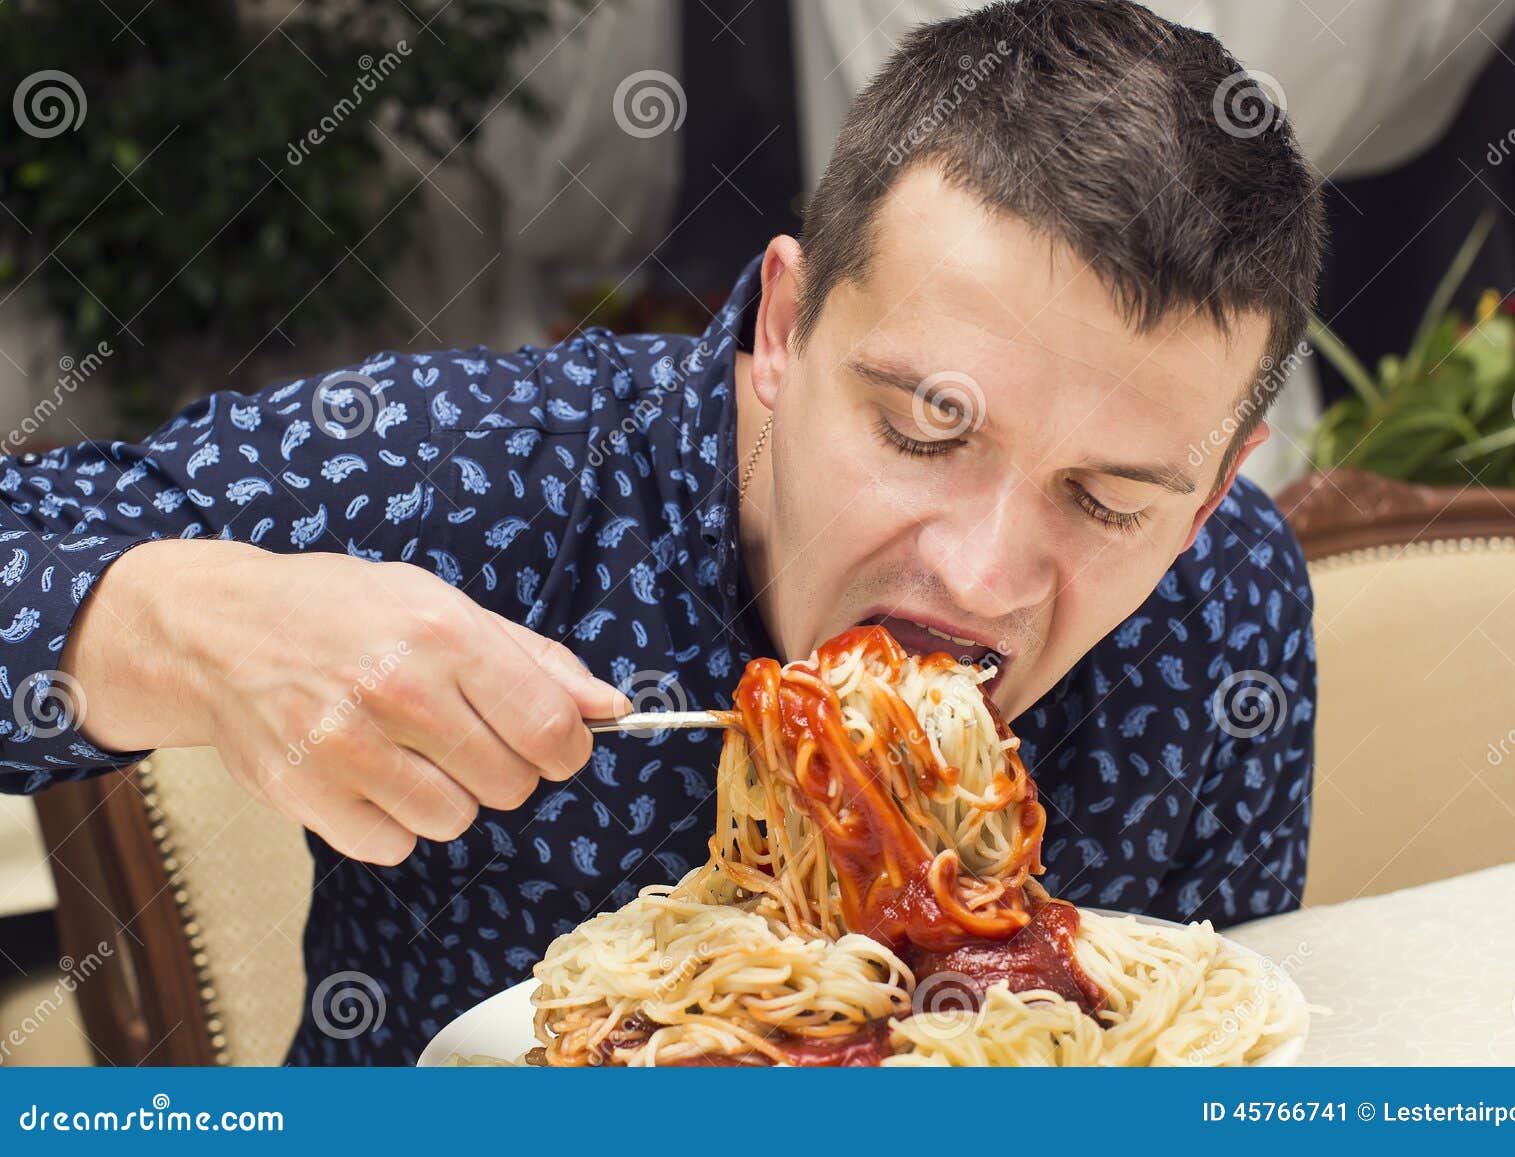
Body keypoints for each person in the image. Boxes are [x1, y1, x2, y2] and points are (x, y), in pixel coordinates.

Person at [0, 0, 1324, 1064]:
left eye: (1106, 501)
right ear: (783, 329)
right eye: (924, 427)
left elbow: (1217, 1051)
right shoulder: (479, 481)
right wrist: (185, 626)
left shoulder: (1231, 601)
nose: (980, 575)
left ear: (1209, 493)